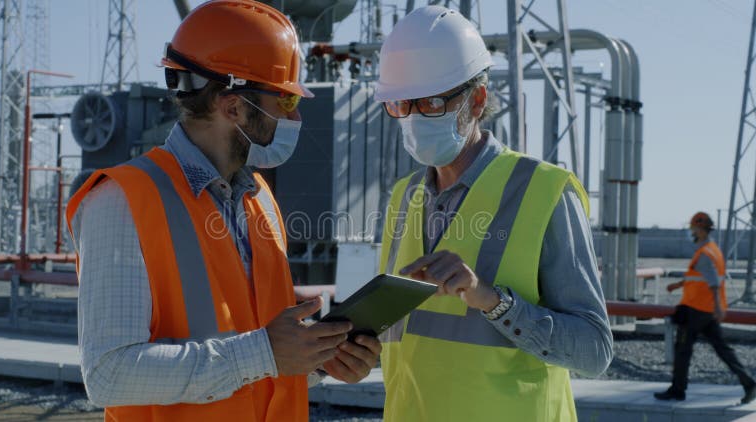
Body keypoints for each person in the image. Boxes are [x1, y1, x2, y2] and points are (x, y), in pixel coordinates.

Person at [65, 1, 380, 420]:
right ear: (232, 107)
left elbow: (259, 364)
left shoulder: (260, 199)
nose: (297, 115)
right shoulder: (121, 201)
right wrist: (265, 353)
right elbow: (108, 375)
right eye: (284, 101)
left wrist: (319, 359)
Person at [373, 6, 613, 421]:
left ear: (477, 99)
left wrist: (492, 301)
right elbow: (401, 339)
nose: (413, 119)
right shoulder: (403, 196)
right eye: (401, 104)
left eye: (430, 103)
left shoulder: (544, 192)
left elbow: (594, 351)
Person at [654, 212, 755, 404]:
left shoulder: (705, 254)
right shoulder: (711, 250)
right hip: (705, 310)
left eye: (693, 229)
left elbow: (713, 282)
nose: (691, 232)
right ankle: (749, 383)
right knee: (722, 349)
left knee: (683, 349)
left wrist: (717, 305)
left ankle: (677, 390)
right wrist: (677, 285)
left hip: (696, 310)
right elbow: (697, 277)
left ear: (700, 230)